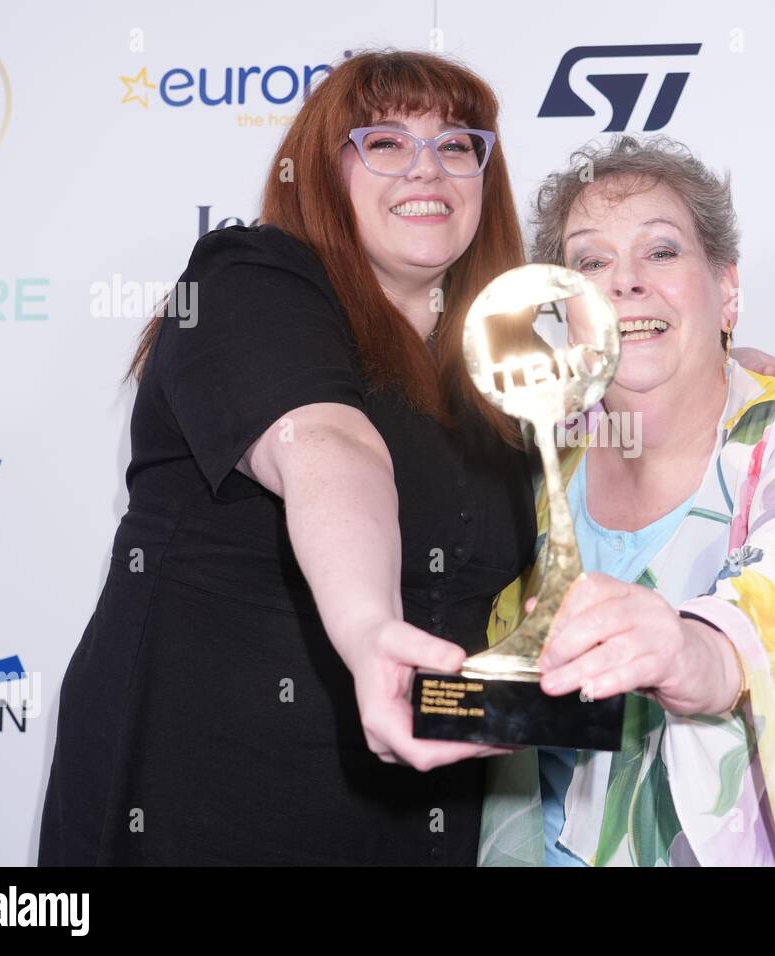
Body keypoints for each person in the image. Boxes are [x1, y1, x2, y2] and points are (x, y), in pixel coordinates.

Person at [37, 50, 536, 865]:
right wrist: (372, 627)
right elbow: (328, 447)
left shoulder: (498, 372)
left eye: (456, 144)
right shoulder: (249, 282)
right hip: (203, 806)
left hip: (418, 807)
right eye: (383, 143)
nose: (428, 168)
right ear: (317, 171)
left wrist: (712, 368)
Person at [478, 135, 775, 867]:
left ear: (727, 288)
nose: (625, 283)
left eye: (662, 251)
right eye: (590, 262)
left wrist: (704, 650)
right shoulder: (541, 456)